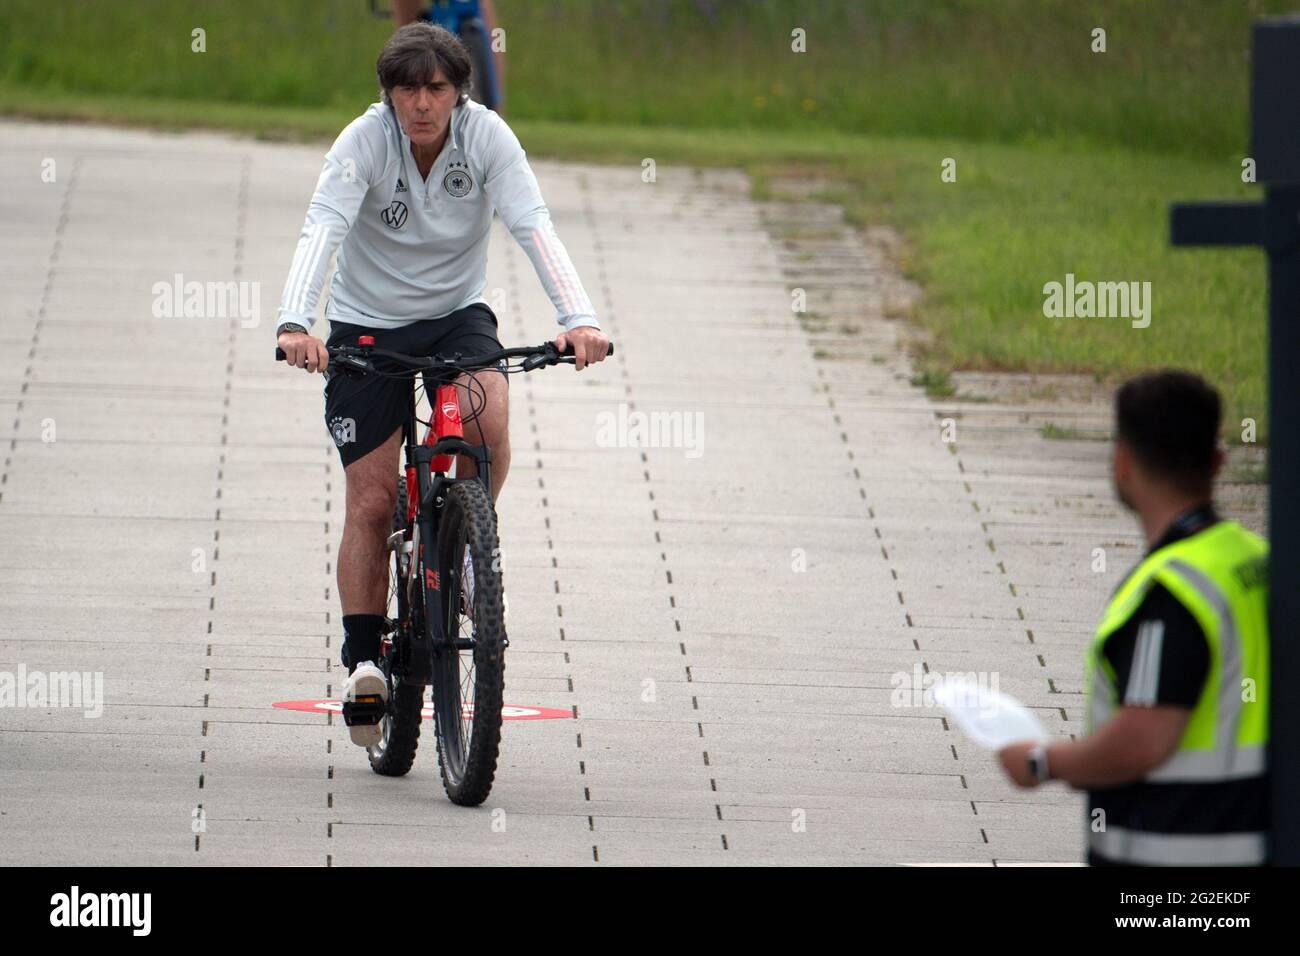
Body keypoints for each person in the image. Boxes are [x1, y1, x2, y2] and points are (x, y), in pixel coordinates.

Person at [276, 23, 609, 747]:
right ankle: (364, 660)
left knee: (487, 427)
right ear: (388, 94)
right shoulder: (363, 143)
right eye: (407, 89)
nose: (422, 103)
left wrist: (578, 318)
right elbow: (322, 226)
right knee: (369, 499)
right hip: (367, 328)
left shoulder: (487, 137)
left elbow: (533, 223)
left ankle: (462, 544)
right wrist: (294, 323)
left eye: (436, 88)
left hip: (457, 318)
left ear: (458, 92)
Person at [997, 369, 1269, 866]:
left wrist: (1040, 761)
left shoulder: (1171, 594)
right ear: (1218, 462)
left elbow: (1142, 740)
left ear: (1122, 463)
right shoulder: (1257, 561)